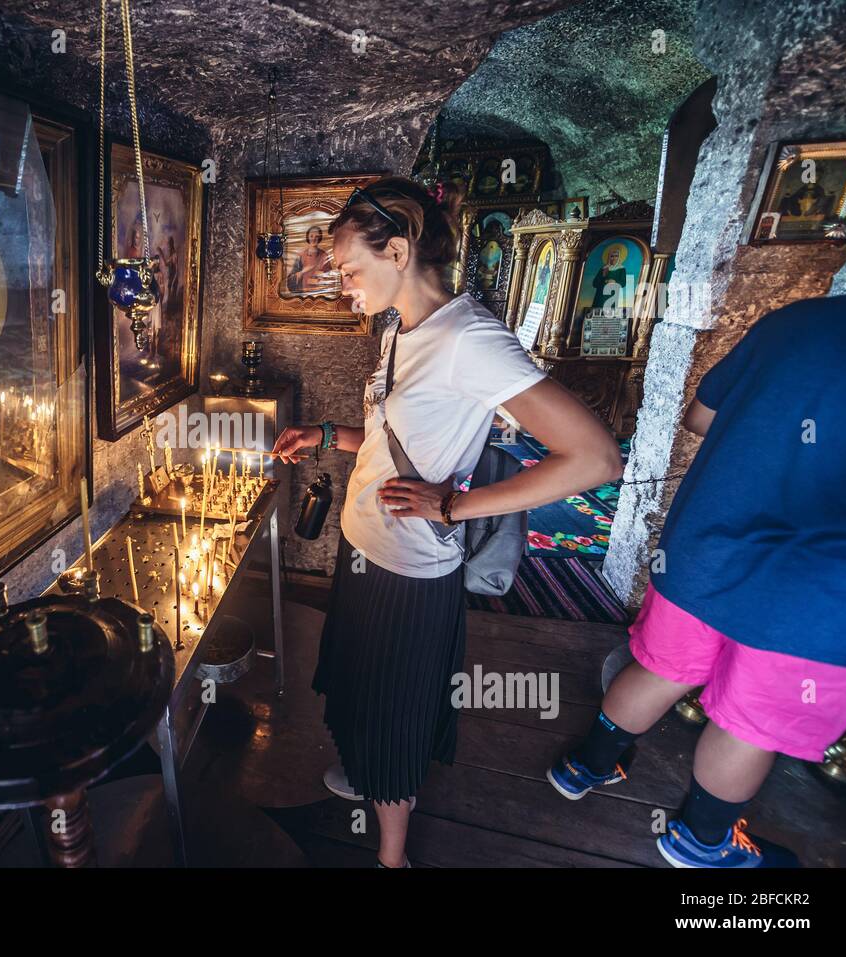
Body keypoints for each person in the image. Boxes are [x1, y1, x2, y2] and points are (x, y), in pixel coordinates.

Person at [272, 177, 623, 869]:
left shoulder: (469, 338)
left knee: (393, 716)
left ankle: (391, 856)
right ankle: (367, 776)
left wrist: (454, 505)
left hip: (408, 575)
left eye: (347, 270)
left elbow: (595, 457)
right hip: (364, 549)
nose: (341, 285)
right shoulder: (402, 327)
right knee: (354, 688)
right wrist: (325, 434)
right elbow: (394, 440)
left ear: (398, 250)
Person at [547, 294, 846, 868]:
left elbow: (700, 418)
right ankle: (701, 839)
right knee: (752, 722)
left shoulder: (796, 320)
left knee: (663, 669)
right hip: (827, 592)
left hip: (708, 547)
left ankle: (585, 766)